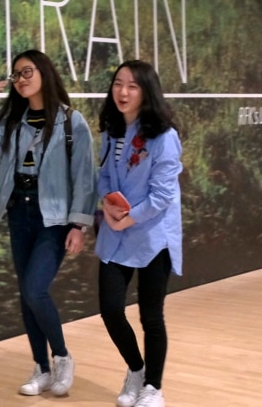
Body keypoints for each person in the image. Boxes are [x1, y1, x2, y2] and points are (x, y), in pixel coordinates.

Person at [0, 50, 96, 397]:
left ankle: (63, 357)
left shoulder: (72, 122)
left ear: (44, 73)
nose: (21, 79)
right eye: (16, 75)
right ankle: (41, 367)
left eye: (27, 72)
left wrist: (79, 225)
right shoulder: (14, 121)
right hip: (19, 211)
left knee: (35, 289)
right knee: (26, 294)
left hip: (53, 216)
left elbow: (85, 177)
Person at [95, 60, 182, 407]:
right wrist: (106, 203)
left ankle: (153, 387)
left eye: (132, 85)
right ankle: (136, 369)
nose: (123, 92)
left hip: (151, 237)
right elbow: (103, 174)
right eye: (118, 83)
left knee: (151, 315)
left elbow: (162, 196)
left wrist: (125, 219)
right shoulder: (111, 130)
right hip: (115, 234)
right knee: (110, 309)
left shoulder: (164, 137)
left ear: (146, 91)